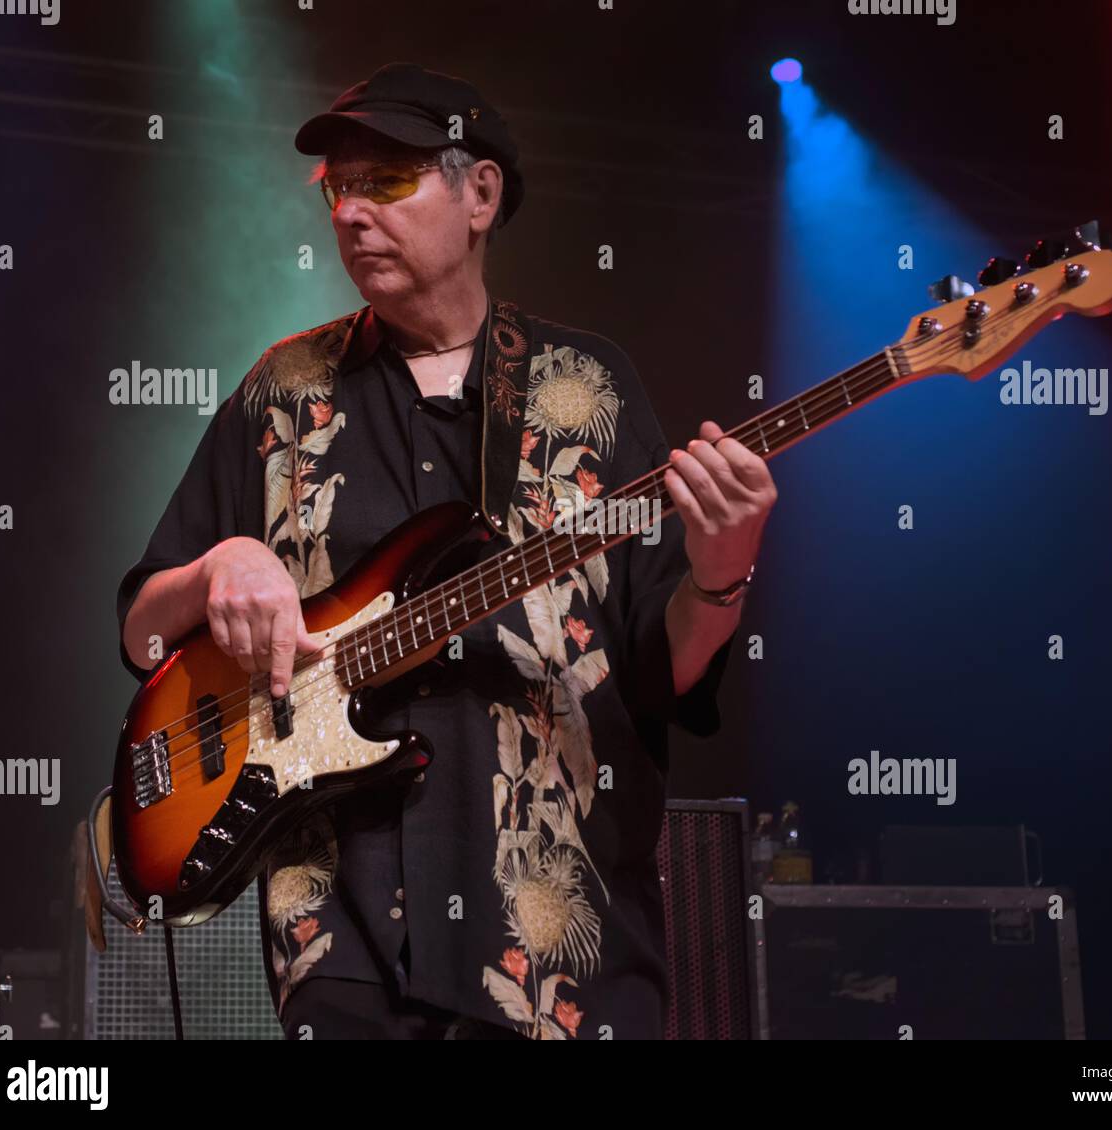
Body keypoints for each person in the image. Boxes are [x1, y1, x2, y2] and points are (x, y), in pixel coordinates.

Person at [117, 62, 776, 1040]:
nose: (350, 212)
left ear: (480, 194)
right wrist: (213, 571)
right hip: (339, 939)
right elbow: (140, 627)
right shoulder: (284, 391)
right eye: (339, 187)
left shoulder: (587, 387)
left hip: (554, 946)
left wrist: (723, 566)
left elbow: (660, 666)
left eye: (384, 181)